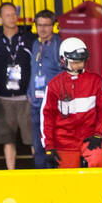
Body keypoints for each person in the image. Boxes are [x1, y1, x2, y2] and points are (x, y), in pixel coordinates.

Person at [42, 38, 102, 169]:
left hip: (90, 137)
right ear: (63, 60)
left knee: (99, 163)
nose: (79, 65)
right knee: (66, 180)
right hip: (63, 141)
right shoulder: (54, 85)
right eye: (75, 62)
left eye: (81, 62)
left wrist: (99, 134)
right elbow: (47, 117)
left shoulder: (96, 81)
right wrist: (49, 146)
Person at [0, 2, 36, 169]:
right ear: (0, 18)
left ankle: (38, 169)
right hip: (3, 98)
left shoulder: (29, 39)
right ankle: (10, 170)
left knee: (32, 137)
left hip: (25, 97)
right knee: (6, 138)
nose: (12, 18)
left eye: (14, 14)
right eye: (7, 15)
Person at [28, 10, 63, 170]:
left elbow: (62, 73)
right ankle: (41, 175)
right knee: (38, 143)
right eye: (39, 25)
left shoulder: (58, 45)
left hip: (51, 104)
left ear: (53, 26)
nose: (42, 29)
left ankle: (53, 174)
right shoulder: (35, 44)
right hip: (35, 103)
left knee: (52, 142)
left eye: (46, 25)